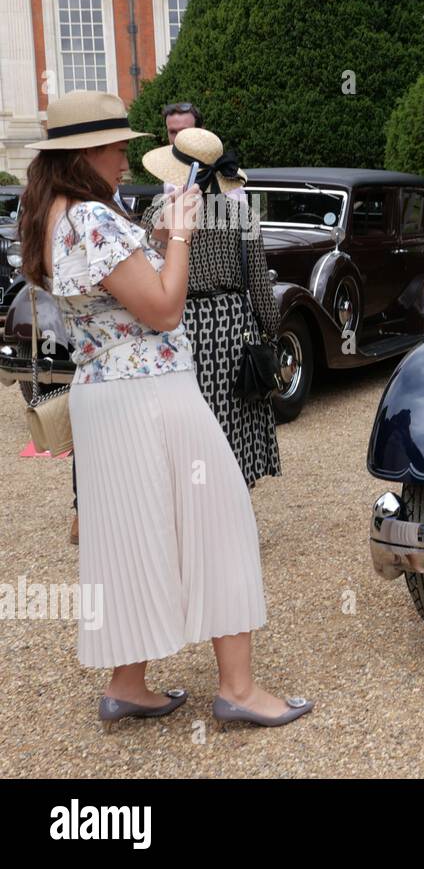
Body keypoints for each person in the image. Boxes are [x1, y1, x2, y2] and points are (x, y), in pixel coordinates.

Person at [18, 91, 311, 729]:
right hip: (152, 391)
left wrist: (155, 239)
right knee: (220, 518)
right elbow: (163, 309)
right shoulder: (91, 219)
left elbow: (116, 295)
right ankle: (237, 687)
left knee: (131, 535)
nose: (126, 158)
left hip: (108, 395)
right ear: (82, 154)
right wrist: (178, 233)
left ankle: (129, 682)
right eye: (116, 147)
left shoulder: (58, 214)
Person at [142, 128, 282, 488]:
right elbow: (260, 284)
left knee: (191, 420)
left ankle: (196, 498)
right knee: (235, 415)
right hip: (234, 323)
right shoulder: (241, 214)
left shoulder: (161, 212)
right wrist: (271, 330)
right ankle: (237, 495)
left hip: (182, 323)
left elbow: (146, 271)